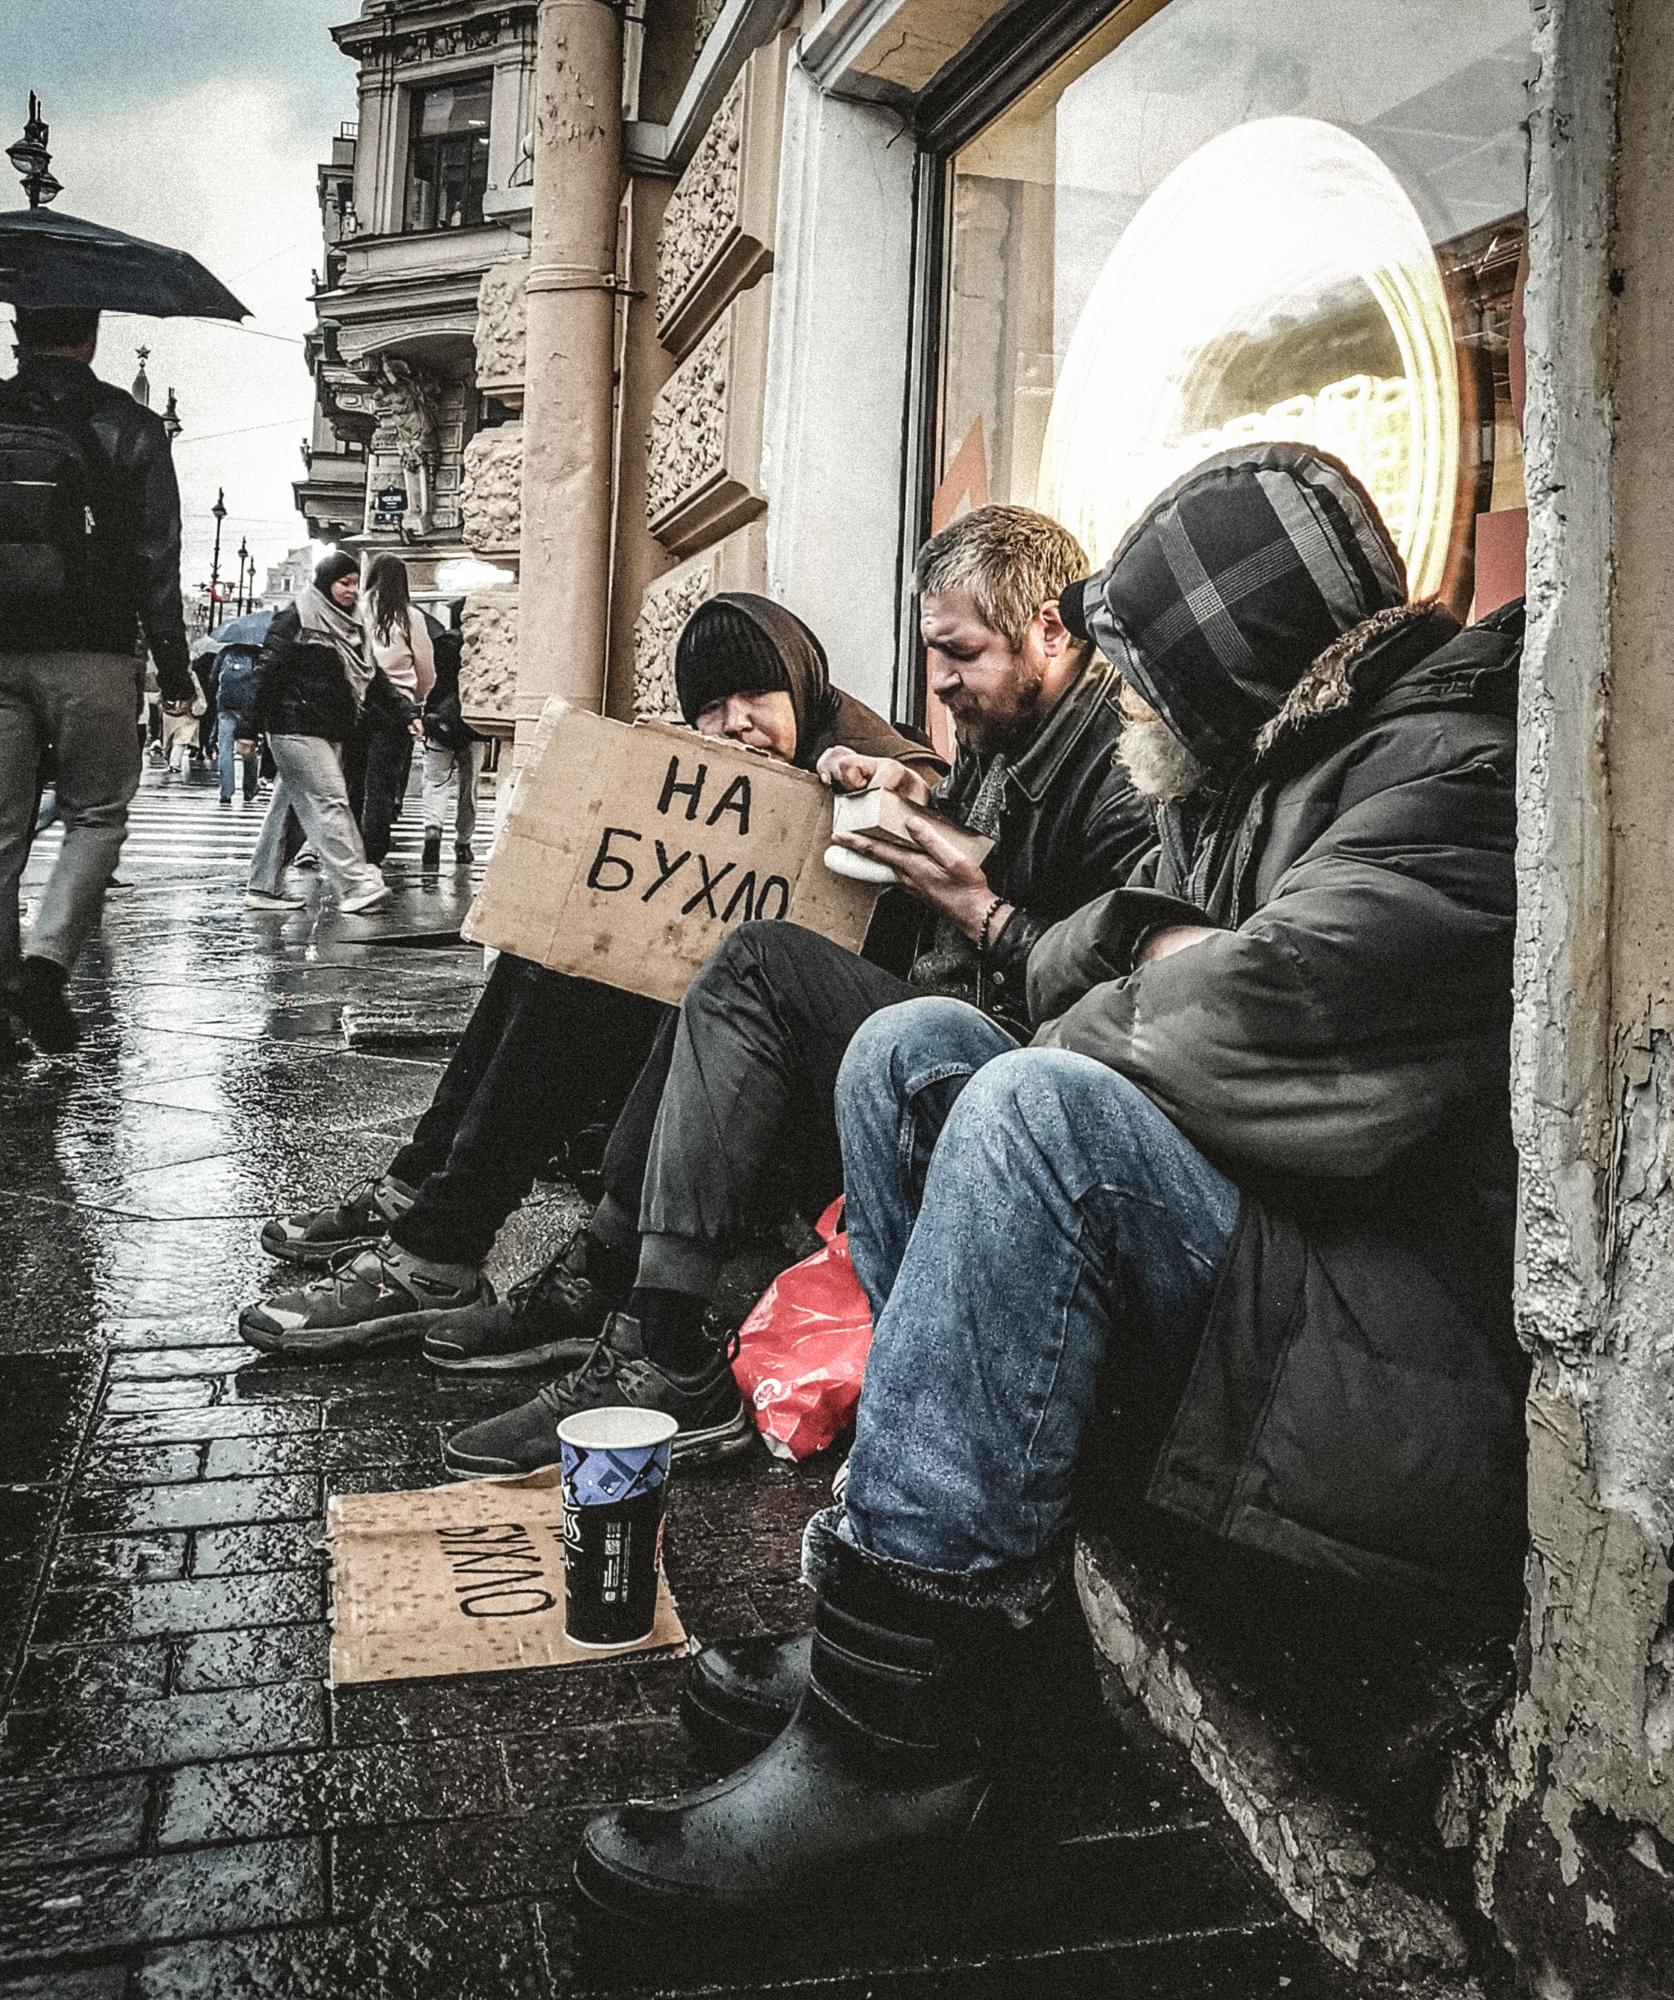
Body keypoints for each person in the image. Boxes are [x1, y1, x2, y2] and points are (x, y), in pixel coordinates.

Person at [570, 443, 1530, 1944]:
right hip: (1283, 1253)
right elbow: (1134, 951)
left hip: (1391, 1361)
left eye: (1144, 671)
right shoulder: (1264, 772)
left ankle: (895, 1743)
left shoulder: (1450, 776)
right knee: (911, 1049)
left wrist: (1074, 1007)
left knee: (1023, 1104)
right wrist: (1099, 964)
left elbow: (1254, 1020)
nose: (1123, 698)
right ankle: (940, 1626)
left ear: (1227, 663)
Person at [430, 503, 1155, 1478]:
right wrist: (911, 808)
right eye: (933, 652)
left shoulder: (1124, 770)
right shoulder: (1005, 726)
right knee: (679, 947)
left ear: (1051, 632)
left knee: (757, 961)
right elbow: (989, 860)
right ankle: (612, 1292)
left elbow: (1124, 993)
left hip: (1021, 1081)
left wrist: (975, 905)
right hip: (938, 1030)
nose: (938, 681)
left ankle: (658, 1341)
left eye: (960, 653)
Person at [239, 592, 946, 1371]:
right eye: (711, 706)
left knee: (591, 974)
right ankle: (422, 1194)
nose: (736, 722)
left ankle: (445, 1248)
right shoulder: (742, 779)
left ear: (803, 688)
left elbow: (910, 808)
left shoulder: (872, 766)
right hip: (742, 1088)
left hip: (817, 1119)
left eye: (756, 696)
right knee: (557, 945)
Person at [0, 304, 194, 1058]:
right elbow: (156, 558)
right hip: (95, 650)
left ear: (18, 331)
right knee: (96, 815)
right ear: (90, 336)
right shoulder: (130, 425)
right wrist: (174, 670)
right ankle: (46, 965)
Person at [240, 551, 419, 916]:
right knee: (330, 798)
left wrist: (404, 712)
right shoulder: (297, 618)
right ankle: (355, 884)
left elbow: (374, 678)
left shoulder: (353, 626)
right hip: (293, 726)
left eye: (355, 583)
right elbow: (266, 673)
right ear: (325, 583)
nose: (351, 590)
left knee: (288, 810)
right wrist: (248, 727)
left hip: (328, 727)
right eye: (343, 583)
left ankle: (264, 886)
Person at [353, 552, 434, 865]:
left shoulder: (356, 611)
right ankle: (373, 853)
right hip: (396, 707)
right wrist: (416, 699)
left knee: (354, 779)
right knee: (382, 785)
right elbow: (426, 667)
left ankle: (352, 848)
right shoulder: (410, 617)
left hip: (359, 703)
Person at [418, 600, 483, 868]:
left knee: (435, 781)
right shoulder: (480, 648)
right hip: (473, 726)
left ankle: (433, 828)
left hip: (439, 722)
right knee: (469, 787)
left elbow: (428, 682)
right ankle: (463, 843)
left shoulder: (438, 645)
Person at [208, 642, 262, 805]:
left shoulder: (225, 652)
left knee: (225, 749)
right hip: (248, 707)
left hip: (226, 705)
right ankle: (249, 788)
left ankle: (226, 791)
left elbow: (212, 678)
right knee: (248, 747)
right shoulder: (257, 654)